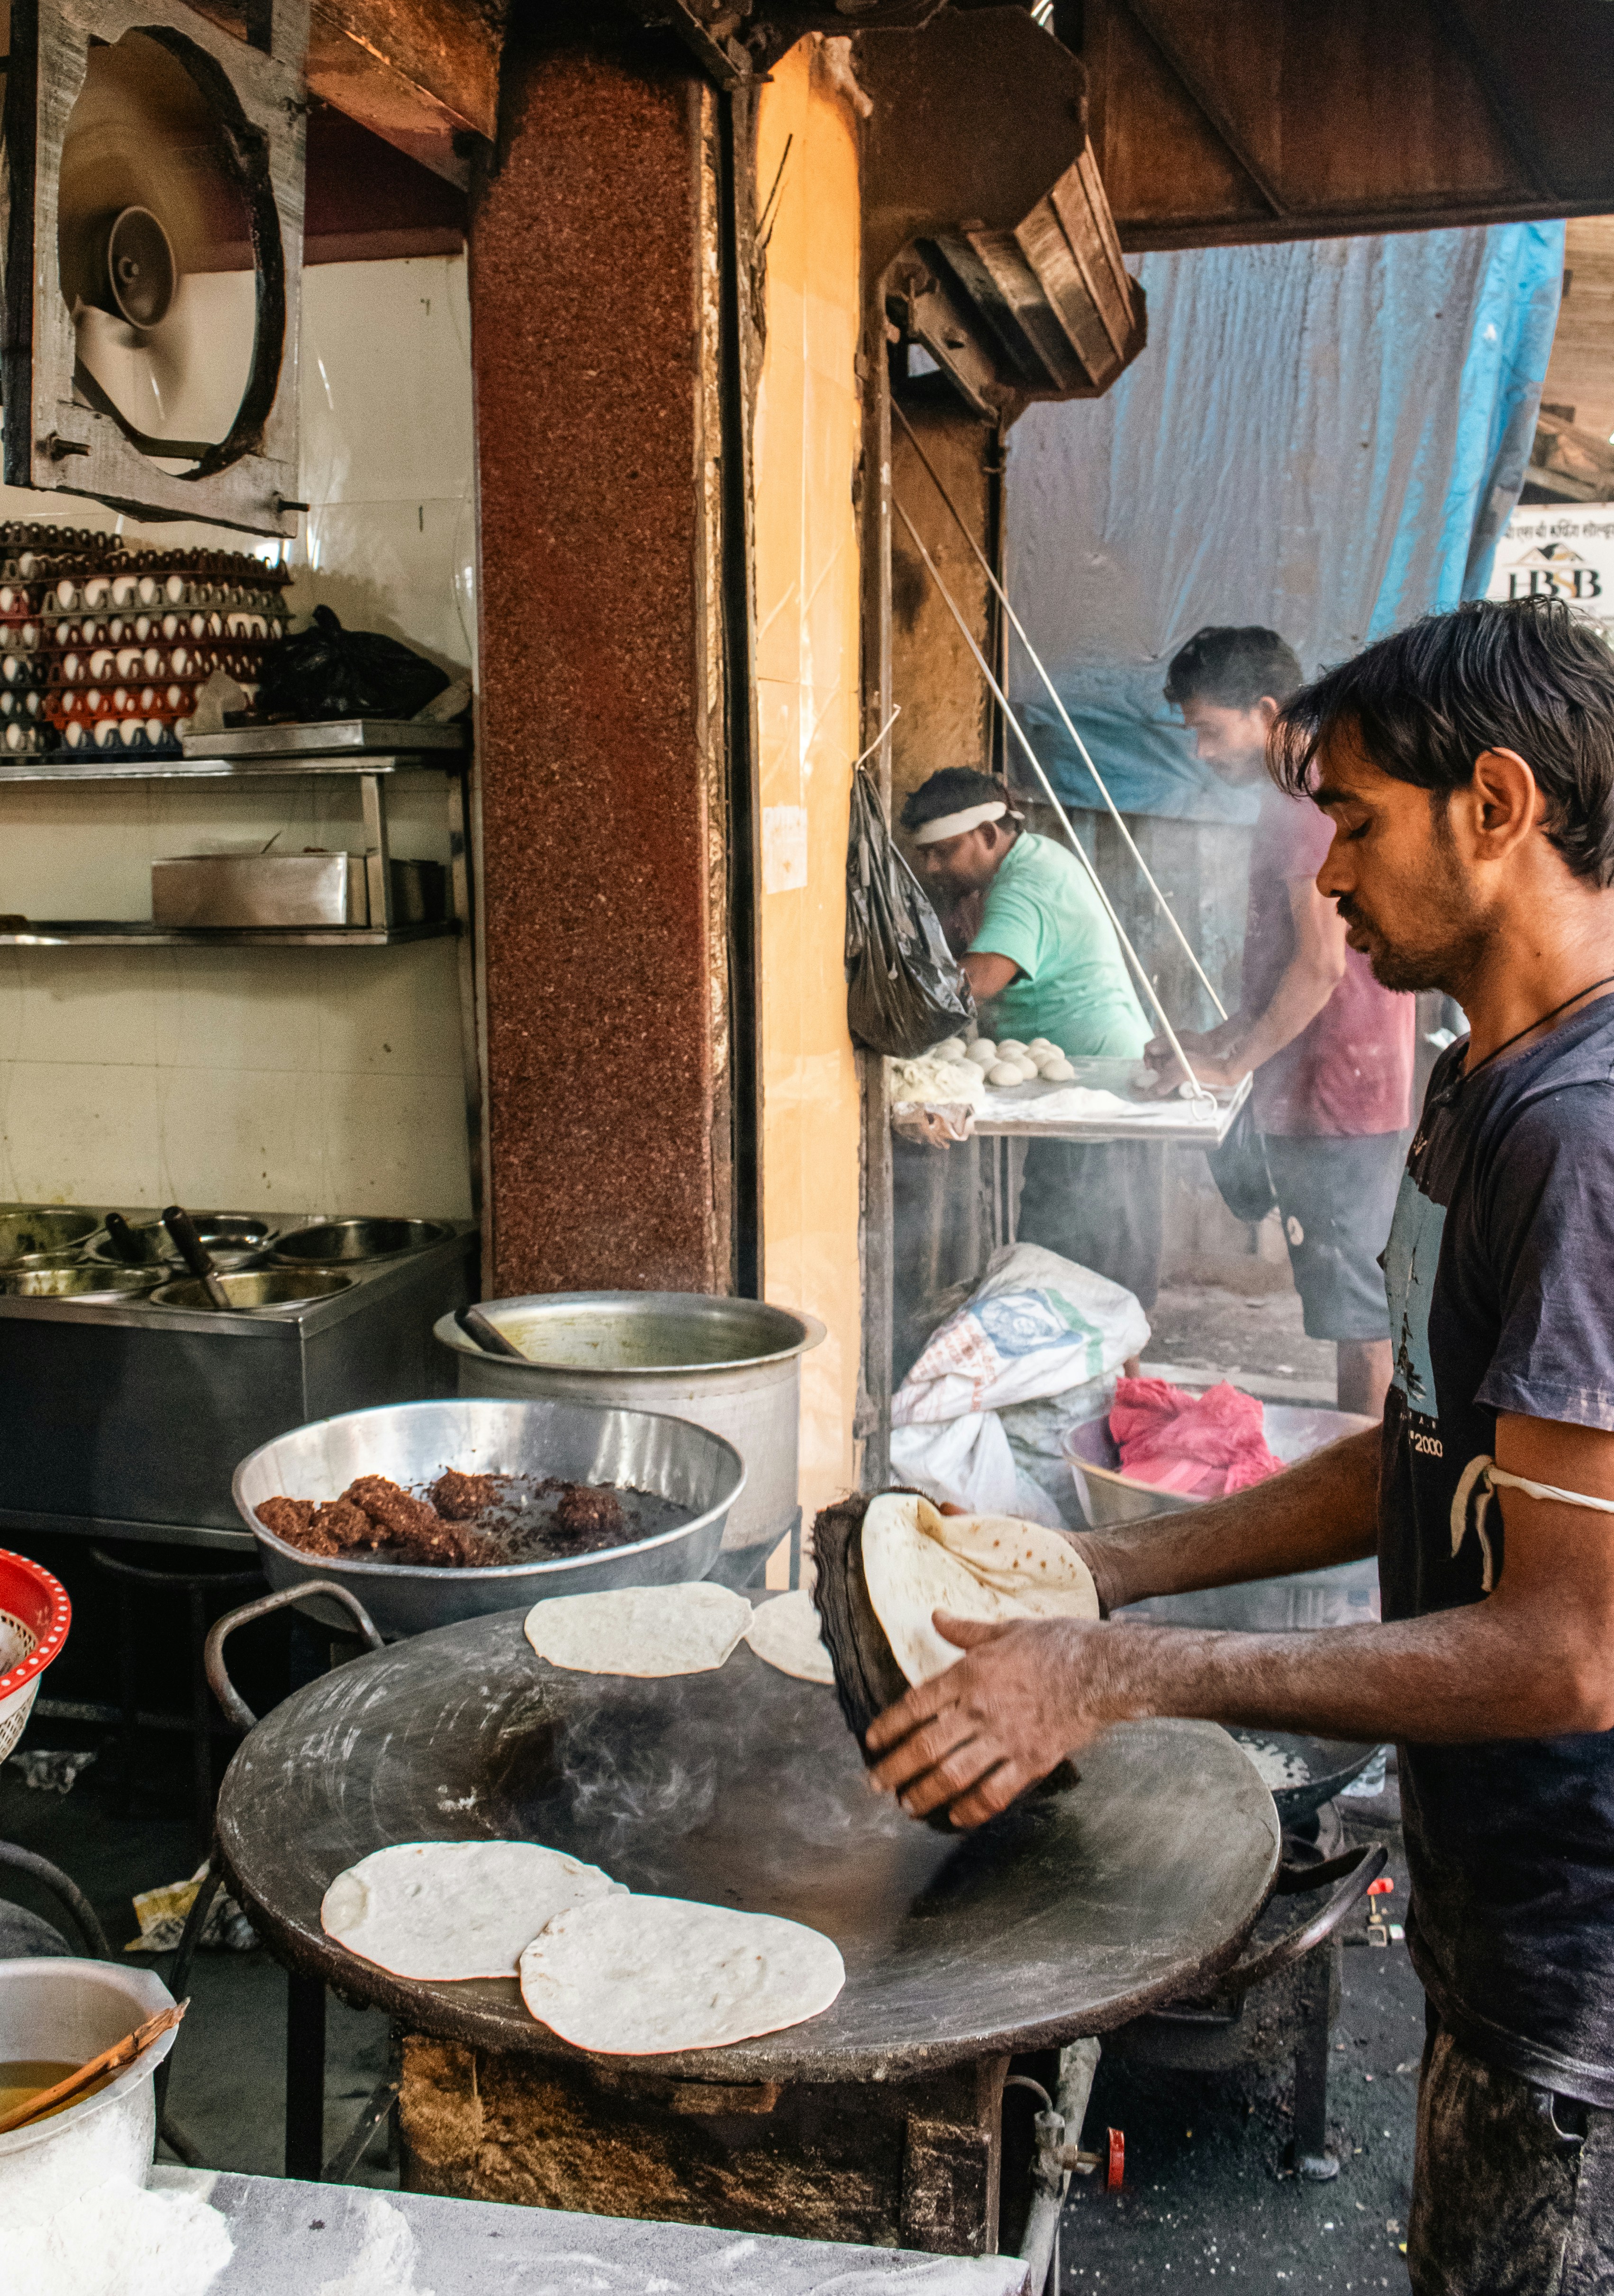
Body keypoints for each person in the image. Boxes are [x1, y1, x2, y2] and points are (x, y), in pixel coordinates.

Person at [868, 598, 1614, 2294]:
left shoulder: (1580, 1138)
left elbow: (1573, 1651)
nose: (1325, 873)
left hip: (1576, 1910)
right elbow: (1419, 1449)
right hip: (1496, 1867)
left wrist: (1113, 1672)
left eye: (1352, 819)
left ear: (1494, 806)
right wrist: (1108, 1565)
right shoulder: (1482, 1078)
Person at [1146, 625, 1416, 1417]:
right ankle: (1361, 1481)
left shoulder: (1303, 802)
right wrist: (1219, 1039)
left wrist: (1233, 1067)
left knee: (1356, 1313)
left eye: (1208, 730)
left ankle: (1365, 1501)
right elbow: (1292, 969)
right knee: (1348, 1302)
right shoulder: (1298, 795)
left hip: (1337, 1094)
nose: (1199, 751)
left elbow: (1323, 964)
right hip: (1335, 1083)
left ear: (1265, 711)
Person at [899, 766, 1161, 1308]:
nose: (932, 866)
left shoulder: (1025, 884)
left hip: (1092, 1093)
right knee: (1086, 1257)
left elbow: (977, 980)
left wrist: (888, 1019)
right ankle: (1114, 1382)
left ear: (989, 835)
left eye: (944, 851)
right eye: (927, 854)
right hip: (1095, 1081)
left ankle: (1108, 1385)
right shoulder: (1033, 857)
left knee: (1076, 1257)